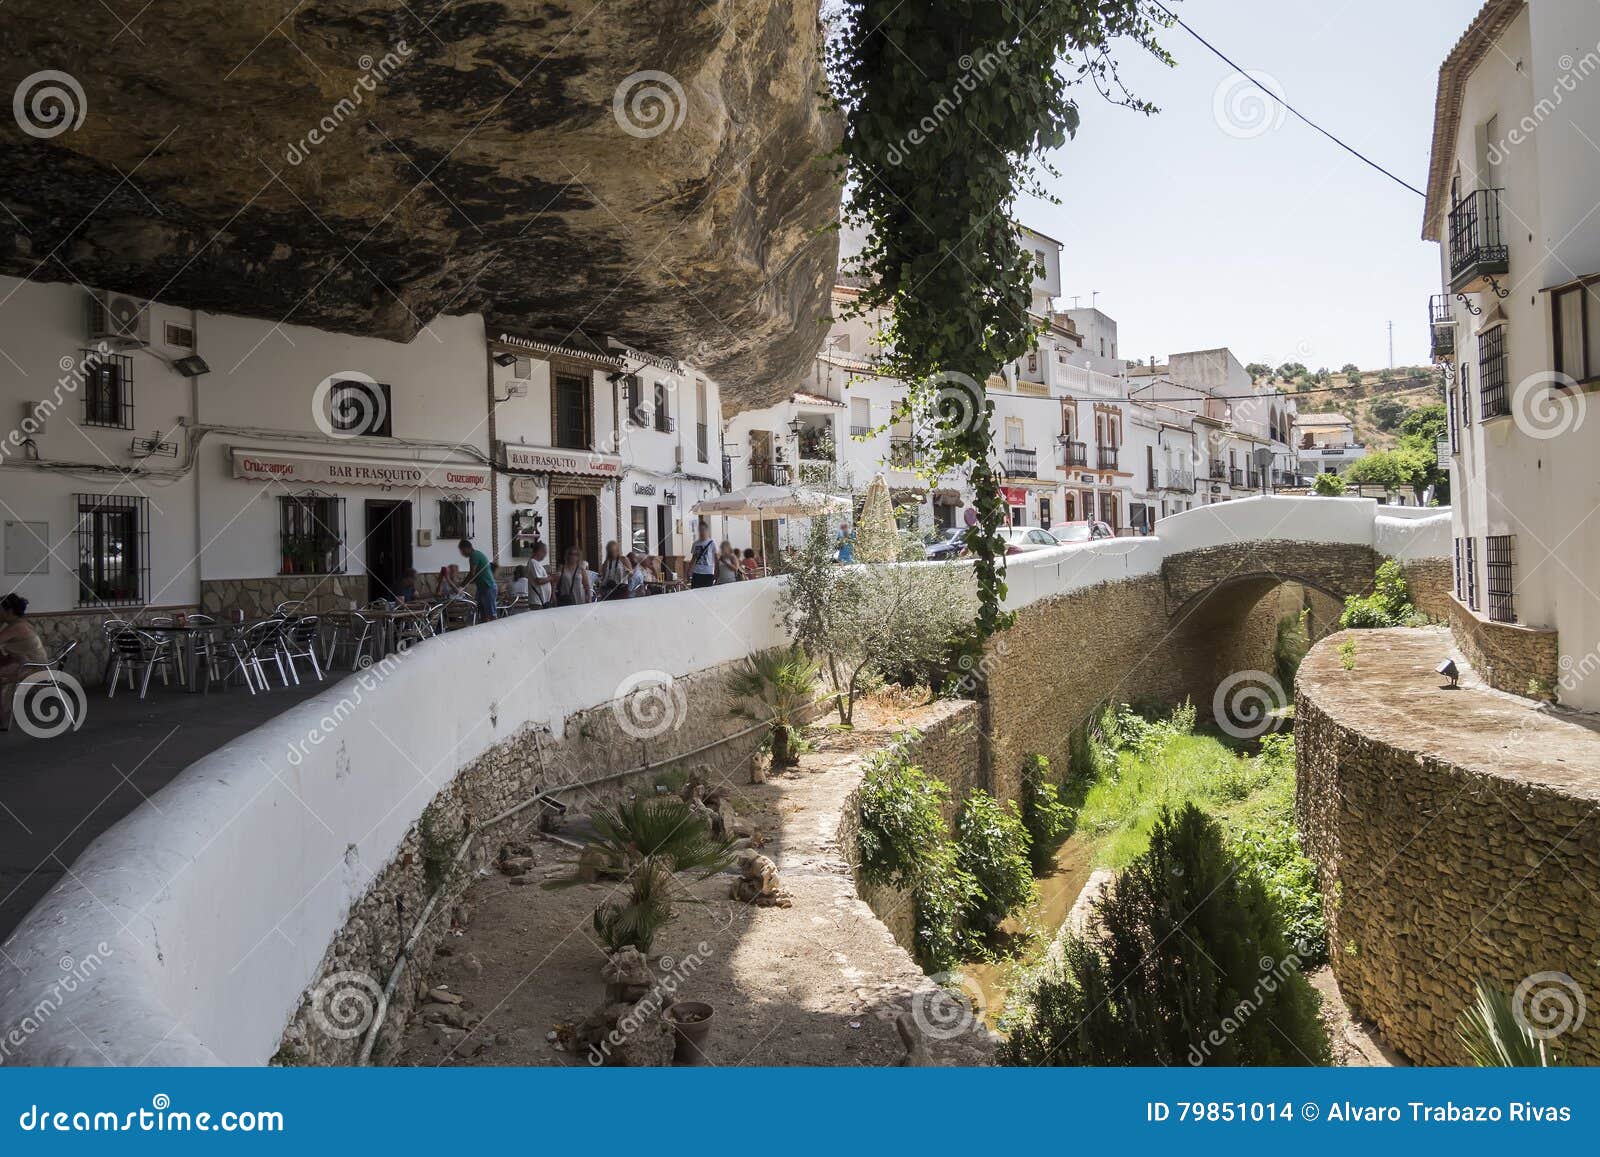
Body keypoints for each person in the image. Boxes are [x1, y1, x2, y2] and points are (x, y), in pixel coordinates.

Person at [0, 594, 48, 731]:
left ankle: (2, 718)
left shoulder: (16, 627)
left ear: (9, 612)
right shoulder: (18, 623)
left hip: (32, 668)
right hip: (29, 664)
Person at [458, 538, 496, 623]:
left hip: (488, 586)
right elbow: (474, 575)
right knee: (481, 611)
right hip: (482, 587)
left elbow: (472, 573)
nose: (462, 553)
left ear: (467, 548)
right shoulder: (477, 554)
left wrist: (462, 586)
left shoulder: (474, 556)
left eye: (462, 550)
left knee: (490, 614)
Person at [688, 522, 718, 589]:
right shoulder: (695, 543)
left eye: (703, 530)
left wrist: (716, 573)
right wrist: (689, 571)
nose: (702, 532)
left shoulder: (712, 543)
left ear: (707, 531)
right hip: (697, 573)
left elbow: (716, 560)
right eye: (700, 530)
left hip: (708, 573)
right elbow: (693, 559)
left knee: (707, 593)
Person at [527, 541, 552, 608]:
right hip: (537, 602)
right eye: (544, 552)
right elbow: (539, 581)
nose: (545, 555)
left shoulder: (536, 563)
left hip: (541, 601)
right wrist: (552, 577)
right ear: (539, 551)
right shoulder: (533, 562)